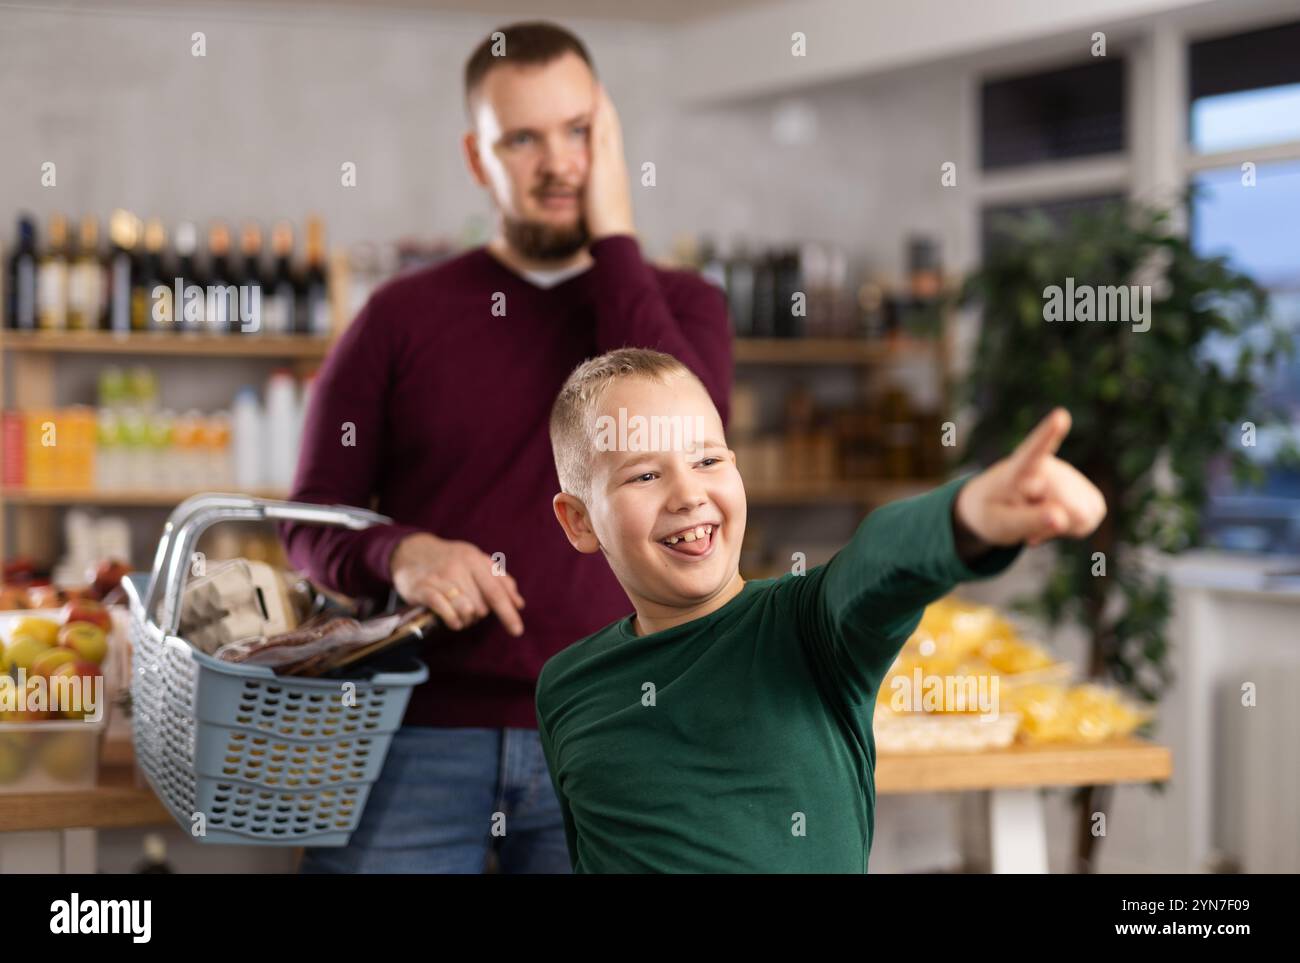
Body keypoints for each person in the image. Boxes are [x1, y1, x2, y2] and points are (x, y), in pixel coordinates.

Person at [281, 23, 732, 874]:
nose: (558, 163)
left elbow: (683, 461)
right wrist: (399, 551)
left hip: (621, 730)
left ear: (610, 137)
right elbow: (306, 522)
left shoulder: (682, 307)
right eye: (522, 139)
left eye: (578, 132)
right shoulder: (399, 317)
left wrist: (617, 241)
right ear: (477, 157)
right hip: (415, 734)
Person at [537, 348, 1107, 872]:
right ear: (579, 520)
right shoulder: (566, 687)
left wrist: (965, 515)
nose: (688, 494)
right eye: (645, 474)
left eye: (707, 460)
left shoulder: (806, 628)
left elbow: (877, 566)